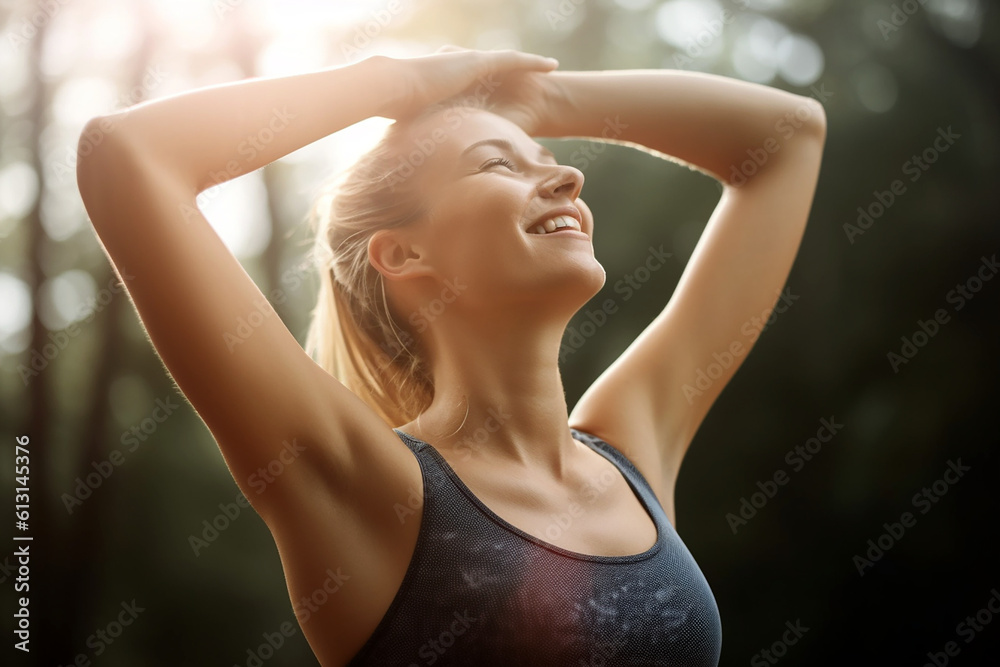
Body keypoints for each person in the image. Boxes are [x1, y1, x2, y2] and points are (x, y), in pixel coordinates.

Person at [77, 45, 826, 666]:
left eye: (551, 160)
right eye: (499, 165)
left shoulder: (631, 449)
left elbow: (790, 134)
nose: (567, 175)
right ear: (403, 253)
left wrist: (538, 104)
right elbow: (126, 155)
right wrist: (395, 83)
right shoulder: (368, 488)